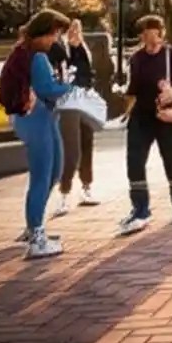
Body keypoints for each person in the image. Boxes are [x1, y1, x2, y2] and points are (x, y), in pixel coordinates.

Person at [1, 10, 73, 258]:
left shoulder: (24, 53)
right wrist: (71, 86)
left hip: (41, 118)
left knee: (54, 171)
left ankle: (35, 228)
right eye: (55, 34)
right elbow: (47, 89)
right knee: (43, 176)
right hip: (36, 118)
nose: (56, 40)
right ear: (43, 32)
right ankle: (36, 238)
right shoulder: (36, 57)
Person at [119, 15, 172, 235]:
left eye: (149, 31)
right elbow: (132, 89)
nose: (145, 35)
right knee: (134, 160)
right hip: (142, 116)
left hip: (167, 117)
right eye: (142, 32)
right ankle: (140, 209)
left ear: (160, 33)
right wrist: (122, 90)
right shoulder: (136, 59)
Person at [48, 19, 99, 216]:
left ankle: (86, 188)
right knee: (72, 150)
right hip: (67, 105)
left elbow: (88, 75)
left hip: (84, 102)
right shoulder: (58, 50)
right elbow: (59, 73)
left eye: (77, 29)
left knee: (87, 144)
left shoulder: (83, 50)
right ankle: (64, 193)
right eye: (70, 30)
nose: (74, 34)